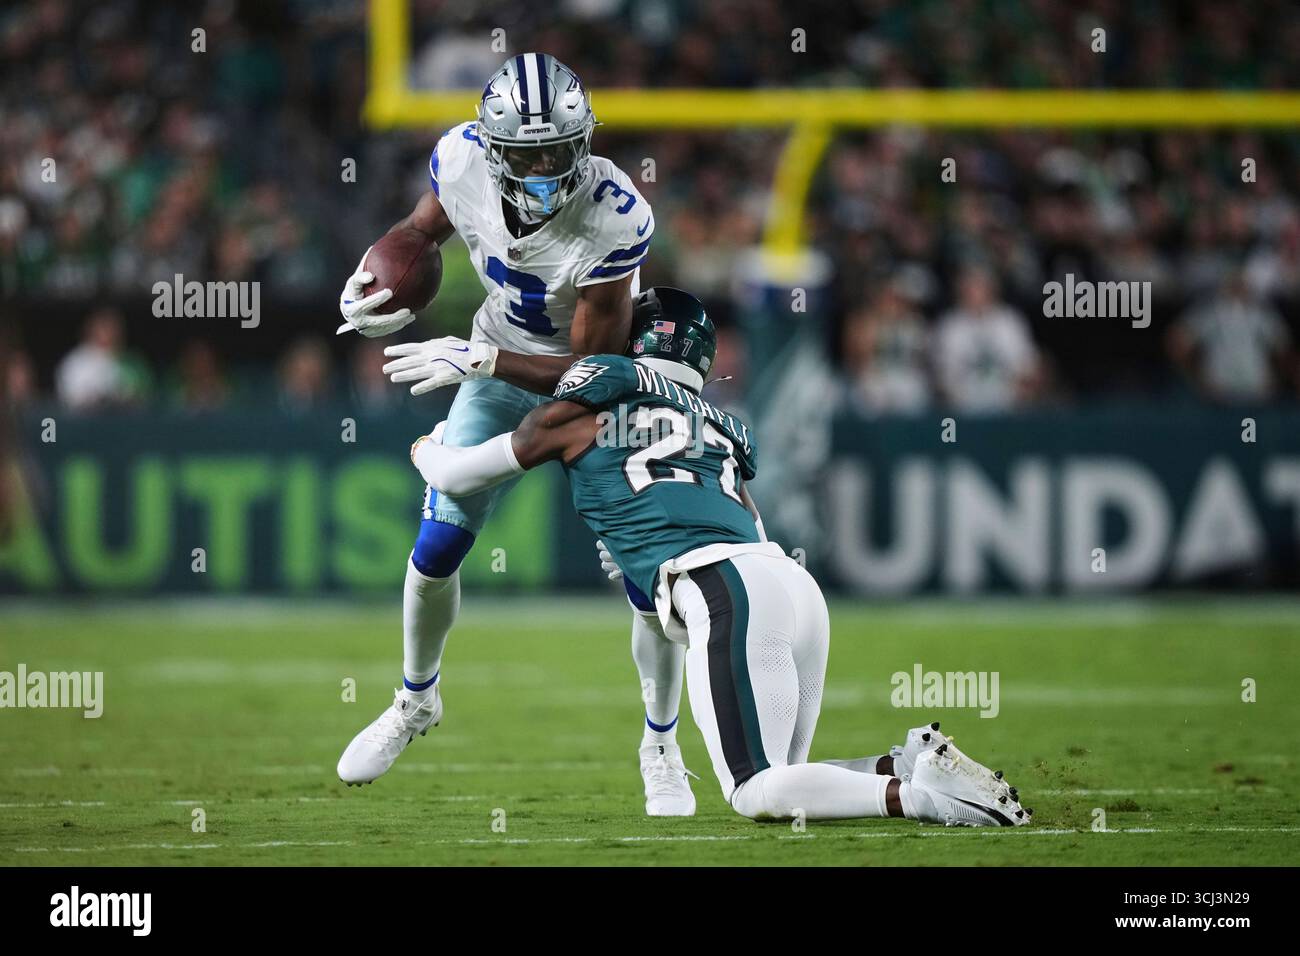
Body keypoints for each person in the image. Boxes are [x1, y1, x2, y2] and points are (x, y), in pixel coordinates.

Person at [407, 286, 1033, 826]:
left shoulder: (584, 410)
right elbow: (735, 514)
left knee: (754, 791)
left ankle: (928, 801)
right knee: (790, 781)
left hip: (723, 586)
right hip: (791, 584)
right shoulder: (721, 422)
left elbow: (460, 478)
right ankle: (907, 764)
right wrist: (642, 550)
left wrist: (428, 447)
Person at [334, 54, 696, 816]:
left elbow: (590, 372)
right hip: (494, 360)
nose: (542, 167)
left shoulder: (613, 212)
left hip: (592, 385)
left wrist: (482, 356)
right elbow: (417, 231)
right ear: (491, 148)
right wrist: (378, 272)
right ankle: (415, 700)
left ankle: (661, 742)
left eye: (559, 149)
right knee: (436, 547)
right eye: (526, 152)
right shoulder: (460, 157)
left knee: (645, 582)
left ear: (585, 140)